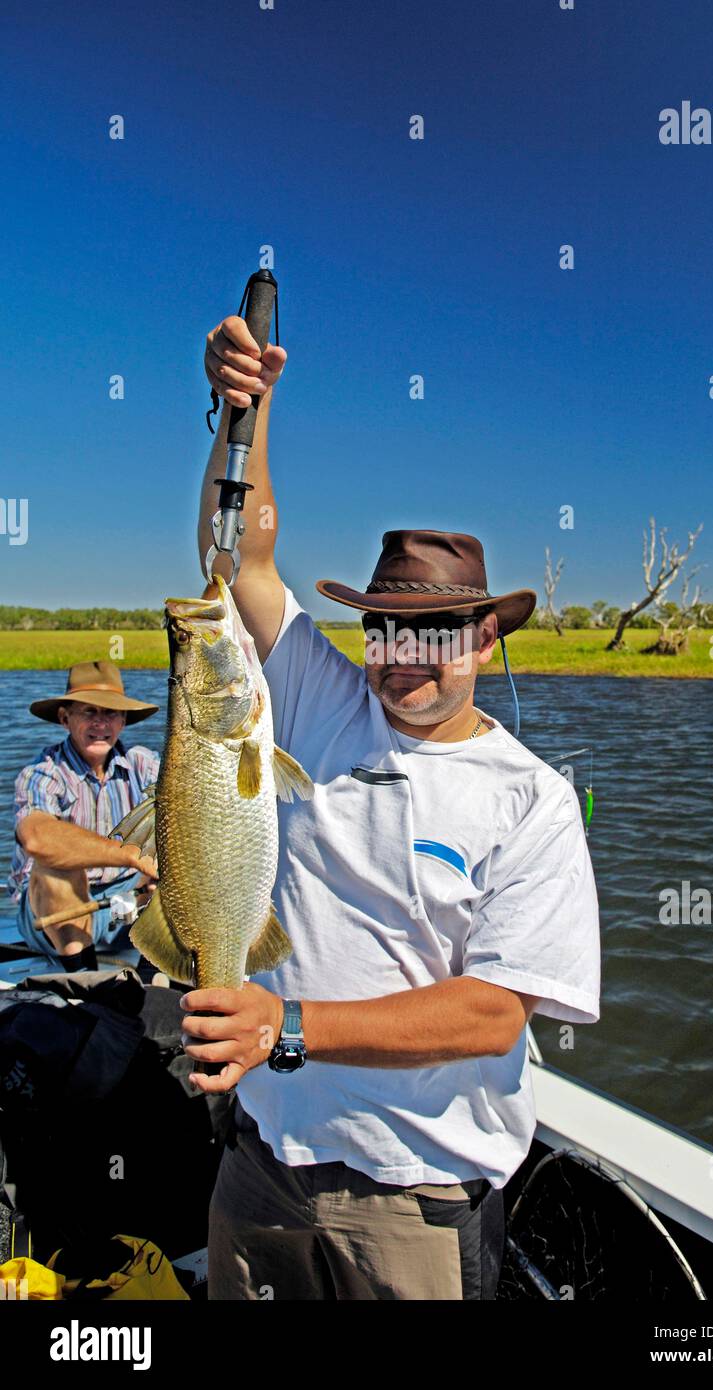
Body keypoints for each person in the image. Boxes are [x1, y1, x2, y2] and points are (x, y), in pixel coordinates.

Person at [183, 313, 601, 1301]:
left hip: (414, 1199)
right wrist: (246, 406)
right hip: (262, 1164)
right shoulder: (324, 700)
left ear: (486, 641)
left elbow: (492, 1012)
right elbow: (238, 555)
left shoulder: (531, 800)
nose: (404, 657)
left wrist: (283, 1025)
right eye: (385, 630)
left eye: (435, 632)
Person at [8, 661, 160, 972]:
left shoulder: (144, 764)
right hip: (52, 916)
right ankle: (83, 976)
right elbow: (37, 838)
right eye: (89, 712)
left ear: (124, 720)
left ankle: (157, 969)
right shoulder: (42, 773)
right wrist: (132, 855)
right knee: (55, 866)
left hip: (130, 898)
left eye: (111, 713)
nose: (101, 723)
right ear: (65, 718)